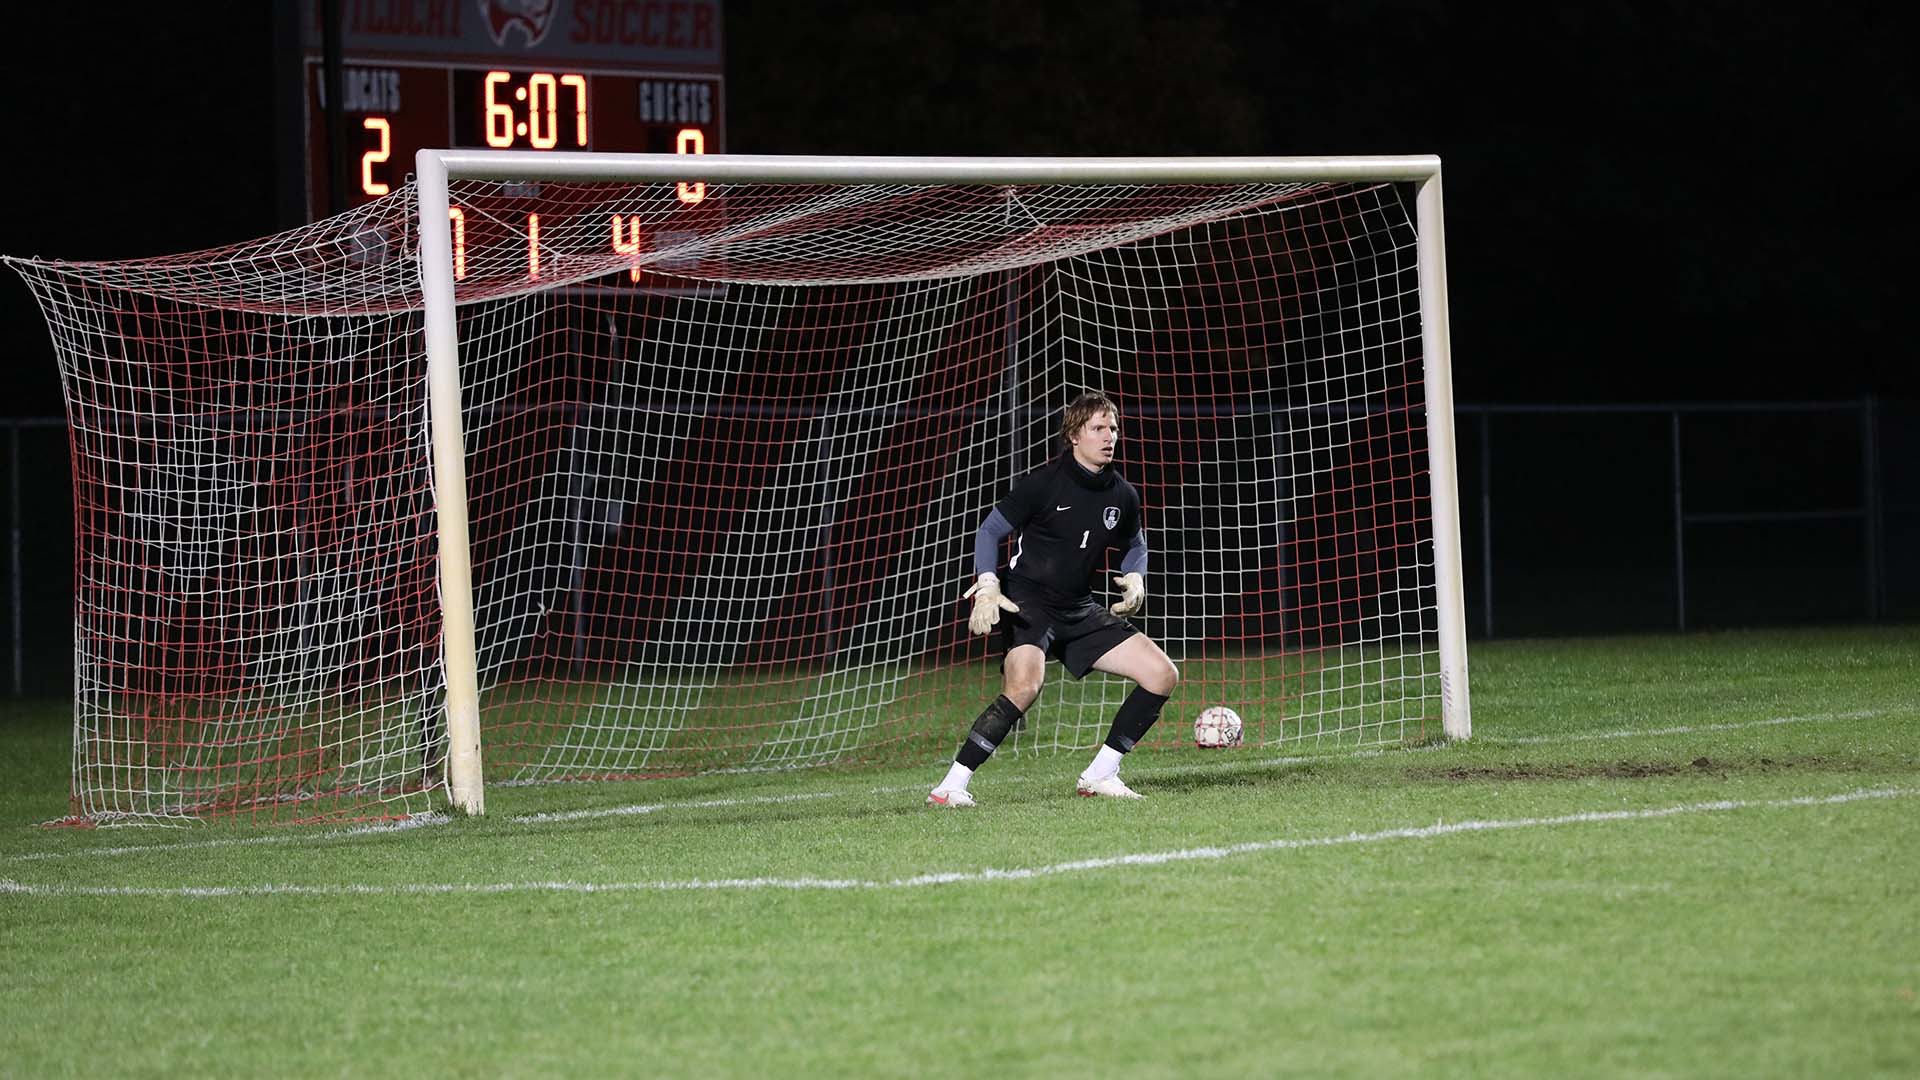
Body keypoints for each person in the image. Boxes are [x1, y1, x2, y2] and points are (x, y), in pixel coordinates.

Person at [927, 391, 1179, 806]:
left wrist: (1136, 575)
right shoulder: (1044, 484)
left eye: (1113, 428)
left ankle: (1100, 775)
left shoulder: (1122, 495)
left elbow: (1136, 544)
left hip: (1078, 607)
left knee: (1161, 674)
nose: (1109, 436)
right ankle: (950, 786)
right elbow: (989, 531)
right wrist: (988, 583)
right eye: (1098, 428)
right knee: (1025, 686)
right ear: (1074, 435)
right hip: (1028, 603)